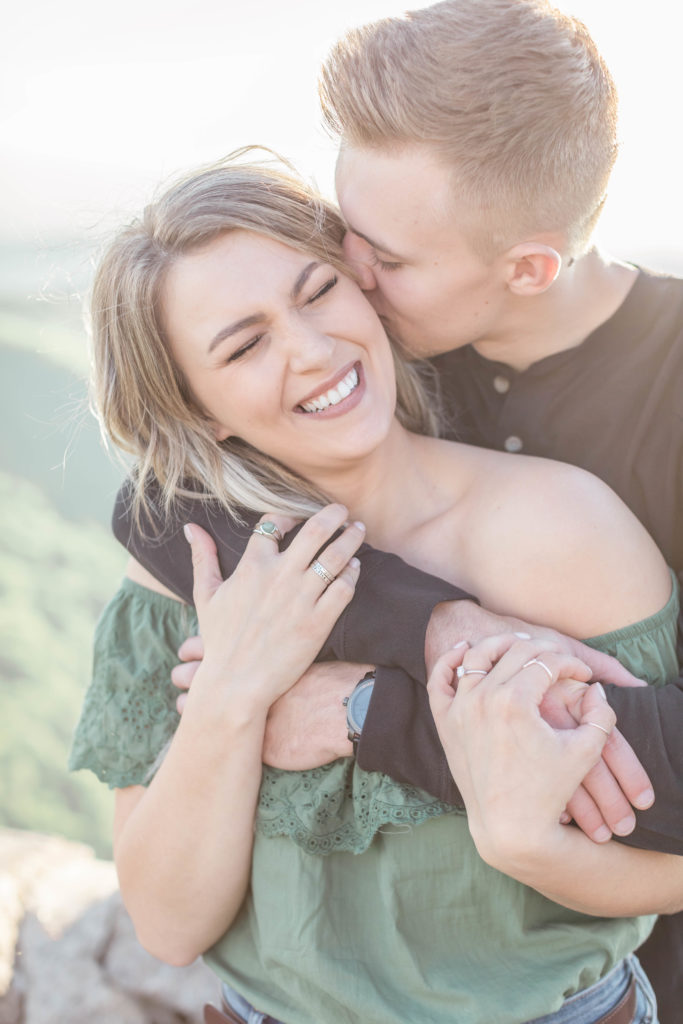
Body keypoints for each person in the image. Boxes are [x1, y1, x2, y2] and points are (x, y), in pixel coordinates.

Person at [119, 3, 683, 1017]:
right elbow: (159, 503)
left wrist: (359, 708)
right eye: (345, 231)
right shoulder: (389, 355)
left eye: (383, 255)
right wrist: (433, 623)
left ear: (525, 269)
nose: (349, 282)